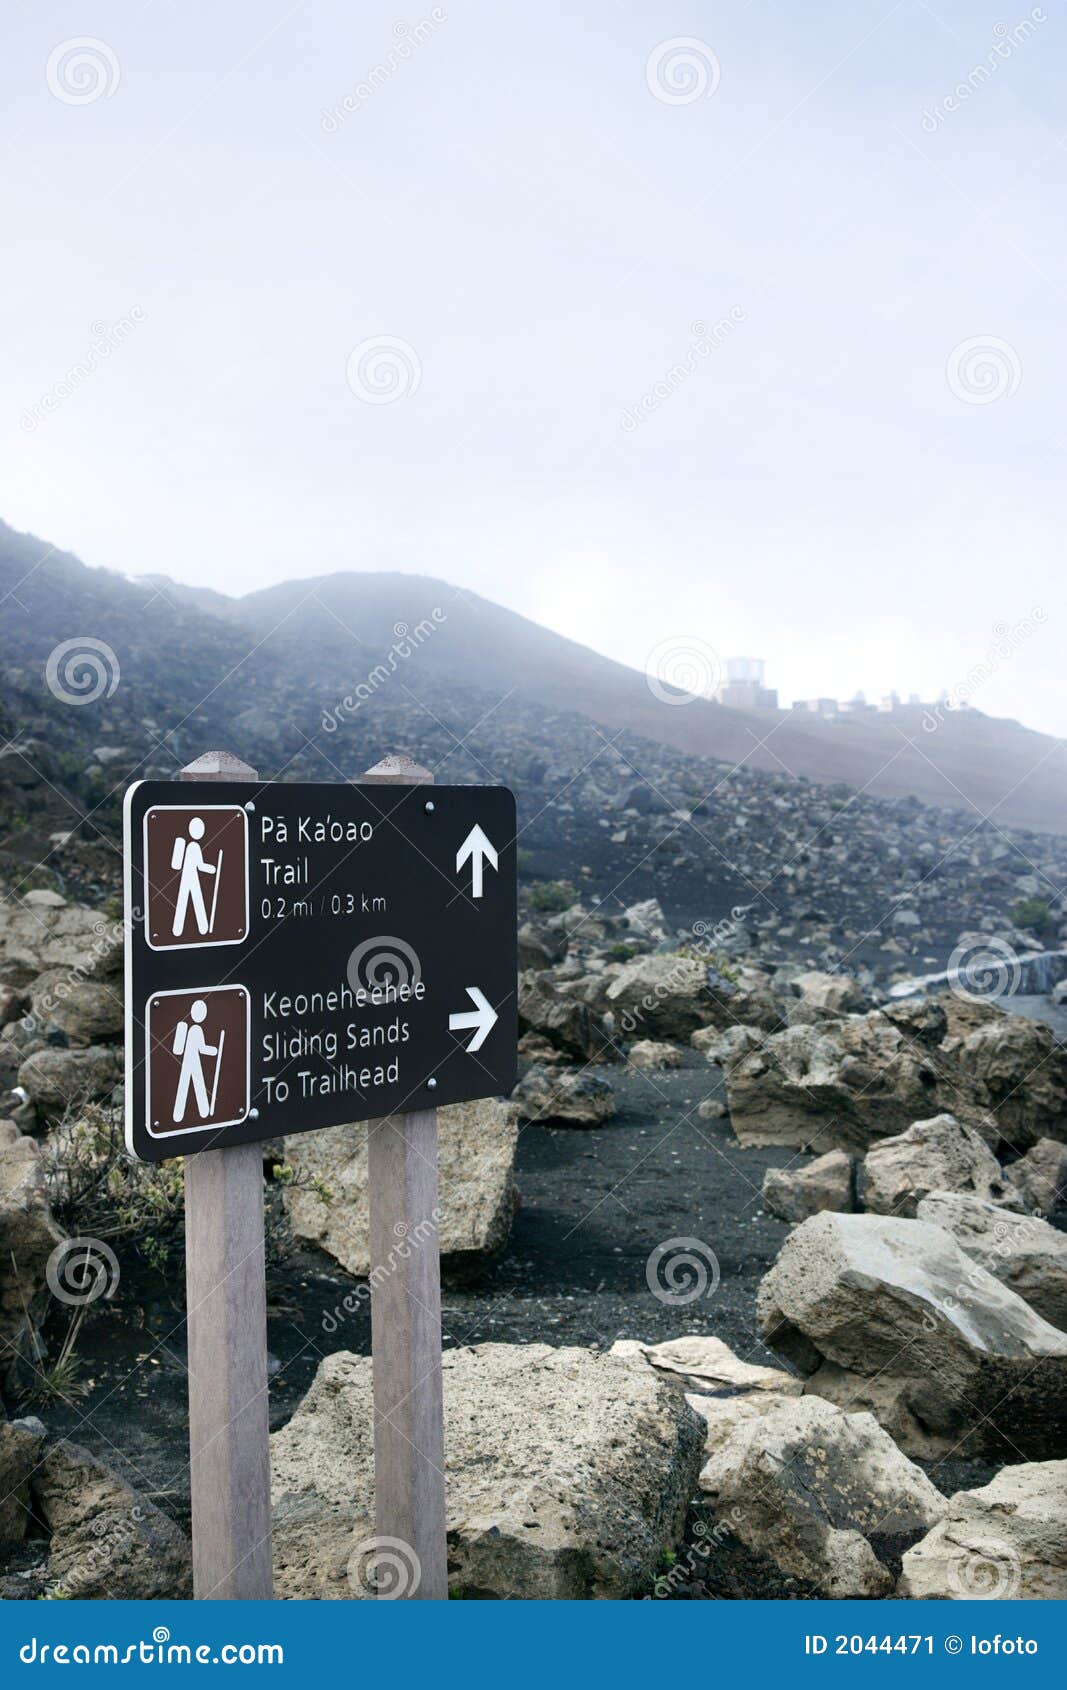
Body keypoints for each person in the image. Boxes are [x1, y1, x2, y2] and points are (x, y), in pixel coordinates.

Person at [172, 999, 219, 1123]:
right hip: (189, 1061)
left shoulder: (196, 1029)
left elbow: (201, 1048)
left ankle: (202, 1112)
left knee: (196, 1086)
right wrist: (214, 1050)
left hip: (195, 1062)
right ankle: (180, 1115)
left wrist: (213, 1050)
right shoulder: (186, 1027)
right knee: (189, 1085)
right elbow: (178, 1050)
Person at [171, 816, 217, 937]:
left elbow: (198, 865)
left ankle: (199, 929)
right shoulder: (191, 845)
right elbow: (197, 866)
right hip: (188, 877)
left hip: (192, 877)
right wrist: (212, 869)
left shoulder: (194, 846)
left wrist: (211, 869)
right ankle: (194, 929)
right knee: (189, 902)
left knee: (191, 902)